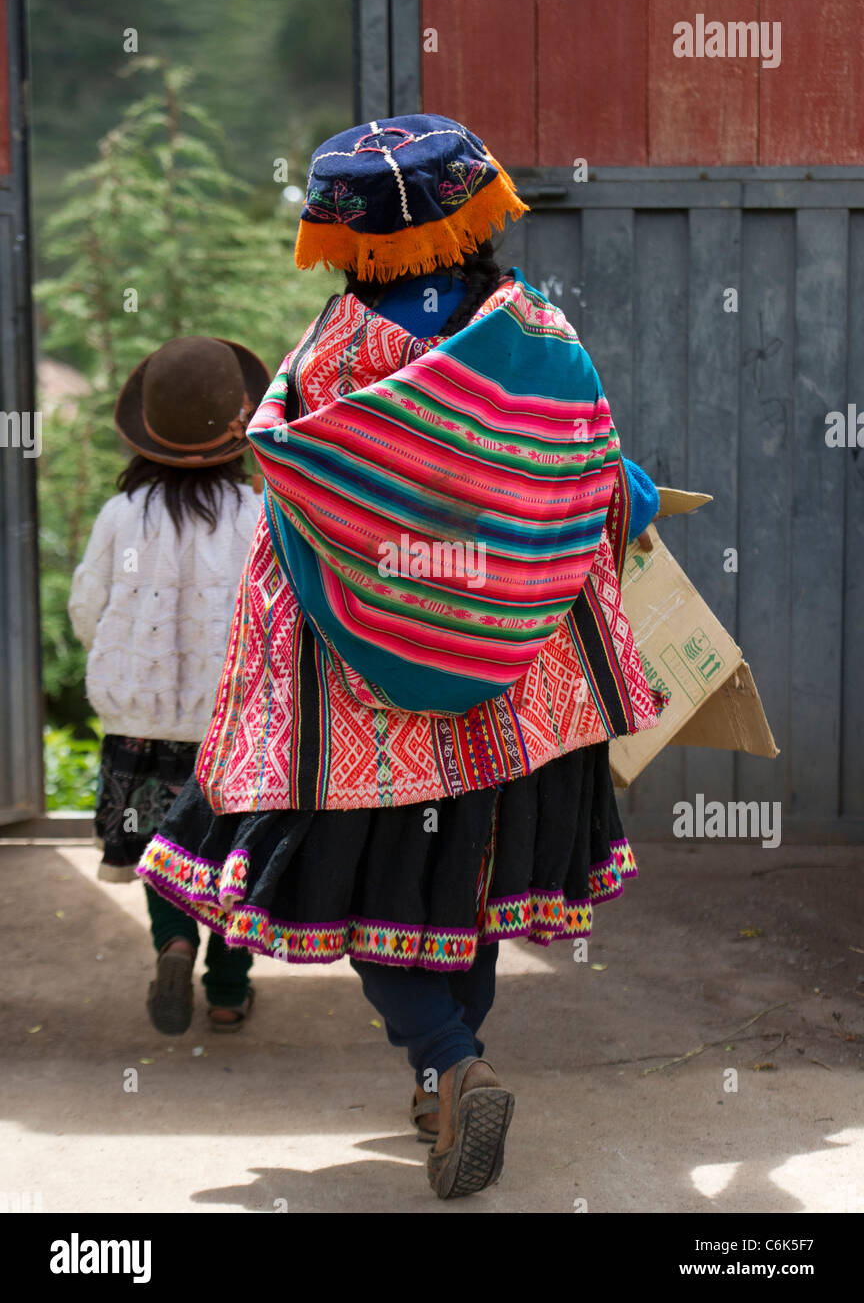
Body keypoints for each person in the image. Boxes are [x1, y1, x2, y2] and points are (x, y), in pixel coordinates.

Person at [137, 115, 668, 1198]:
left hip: (376, 722)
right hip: (520, 709)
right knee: (469, 892)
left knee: (386, 898)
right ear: (475, 213)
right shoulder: (538, 337)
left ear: (350, 239)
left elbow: (294, 507)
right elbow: (615, 488)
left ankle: (450, 1064)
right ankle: (446, 1074)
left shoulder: (330, 360)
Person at [69, 335, 268, 1035]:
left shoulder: (123, 517)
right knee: (233, 856)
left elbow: (89, 610)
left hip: (142, 721)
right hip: (232, 726)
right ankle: (226, 989)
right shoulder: (255, 516)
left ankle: (174, 944)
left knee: (163, 848)